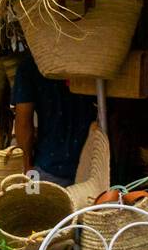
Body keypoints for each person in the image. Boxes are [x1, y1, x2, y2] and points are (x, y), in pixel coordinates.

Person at [13, 51, 97, 186]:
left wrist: (27, 167)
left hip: (48, 168)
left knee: (33, 203)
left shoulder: (32, 63)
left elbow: (23, 121)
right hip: (96, 166)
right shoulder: (97, 60)